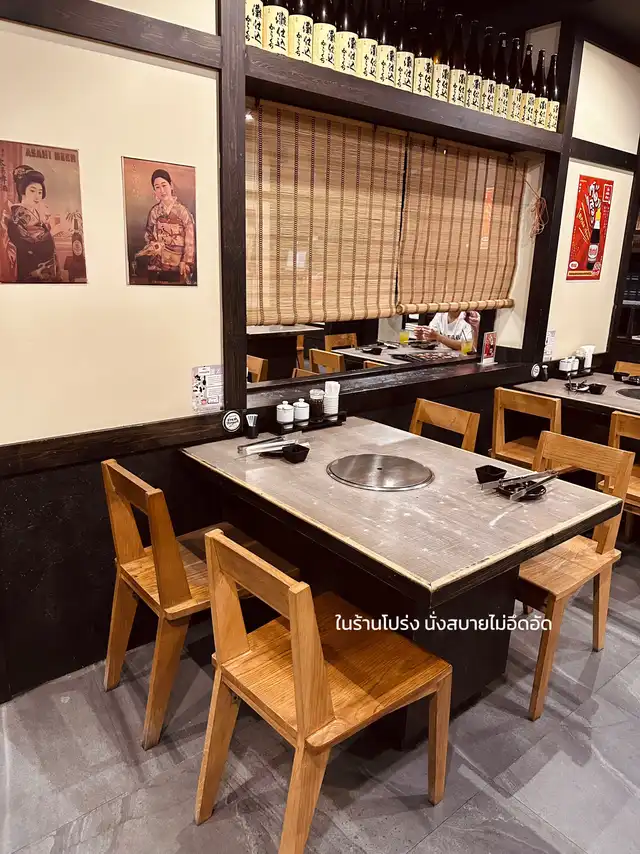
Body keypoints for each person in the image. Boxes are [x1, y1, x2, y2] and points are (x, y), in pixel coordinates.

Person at [138, 169, 196, 284]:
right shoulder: (154, 212)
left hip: (178, 263)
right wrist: (153, 245)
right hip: (159, 263)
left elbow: (190, 240)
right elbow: (148, 233)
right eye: (157, 187)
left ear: (171, 186)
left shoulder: (182, 212)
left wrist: (186, 261)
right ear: (154, 191)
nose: (162, 190)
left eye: (164, 185)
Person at [6, 165, 58, 282]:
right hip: (30, 265)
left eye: (40, 192)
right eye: (32, 191)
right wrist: (51, 234)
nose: (37, 196)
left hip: (44, 263)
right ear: (22, 191)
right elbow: (24, 243)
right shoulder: (18, 214)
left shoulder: (37, 212)